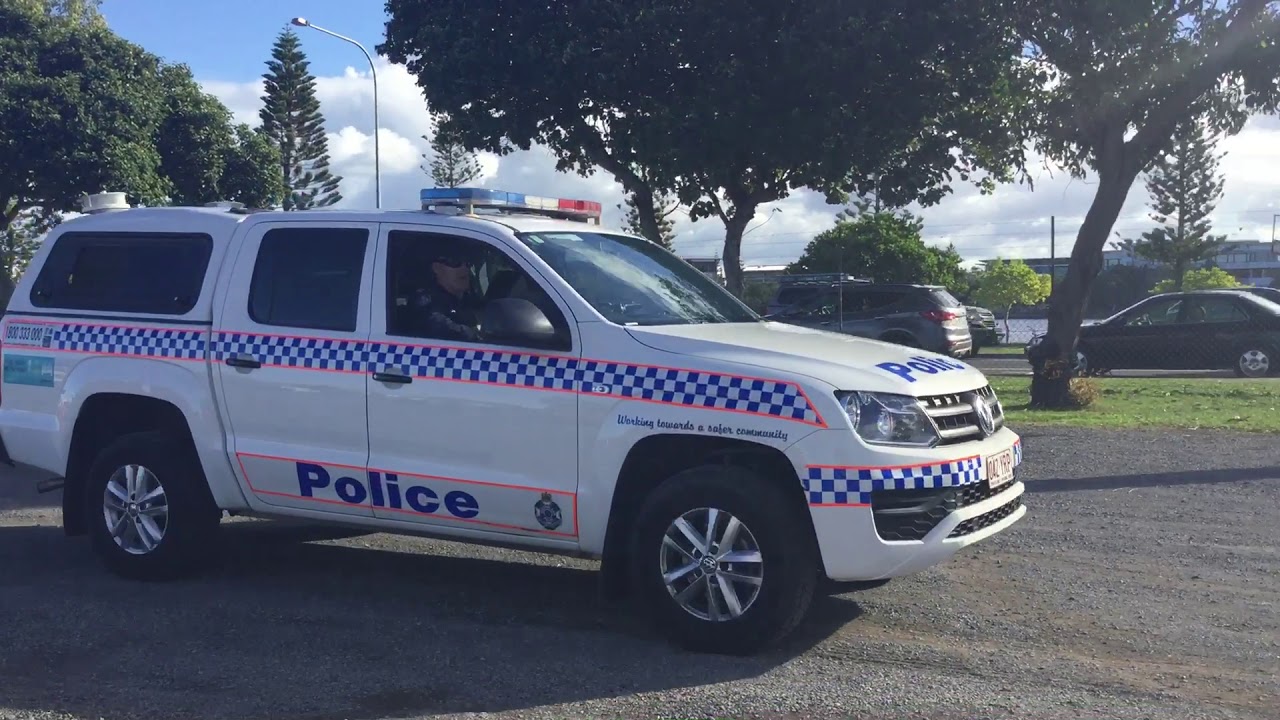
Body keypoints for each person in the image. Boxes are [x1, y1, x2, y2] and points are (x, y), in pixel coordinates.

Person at [410, 249, 485, 342]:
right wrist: (474, 336)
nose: (464, 268)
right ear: (437, 268)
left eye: (468, 263)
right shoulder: (427, 302)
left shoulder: (469, 299)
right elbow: (439, 326)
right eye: (455, 262)